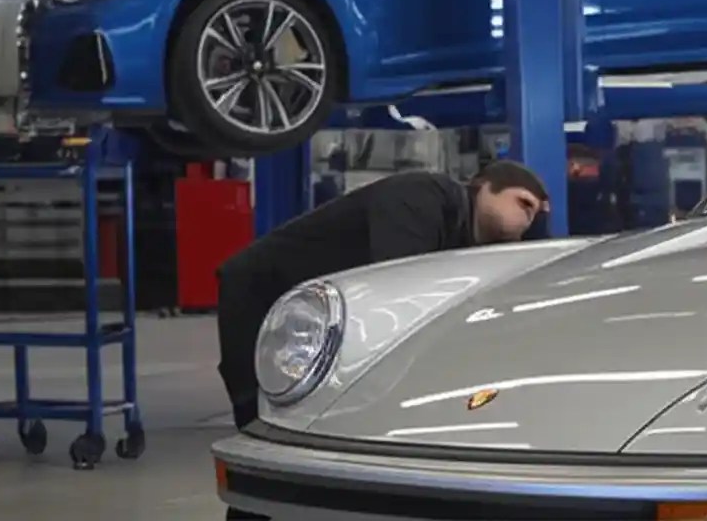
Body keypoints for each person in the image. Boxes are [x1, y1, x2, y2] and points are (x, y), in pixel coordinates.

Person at [215, 160, 548, 520]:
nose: (527, 223)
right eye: (523, 204)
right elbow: (396, 289)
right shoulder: (422, 196)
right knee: (273, 445)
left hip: (317, 327)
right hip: (268, 310)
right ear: (484, 186)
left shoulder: (461, 238)